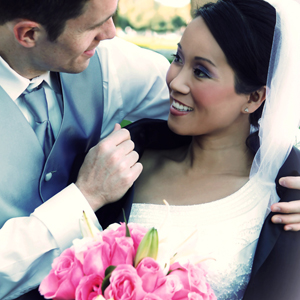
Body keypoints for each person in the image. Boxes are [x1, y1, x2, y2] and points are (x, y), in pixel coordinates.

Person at [105, 0, 300, 299]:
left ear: (255, 96)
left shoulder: (283, 201)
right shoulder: (126, 161)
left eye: (201, 72)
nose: (175, 81)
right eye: (178, 58)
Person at [0, 0, 172, 298]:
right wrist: (86, 196)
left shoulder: (107, 60)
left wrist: (278, 177)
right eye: (94, 26)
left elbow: (211, 103)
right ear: (28, 34)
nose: (111, 33)